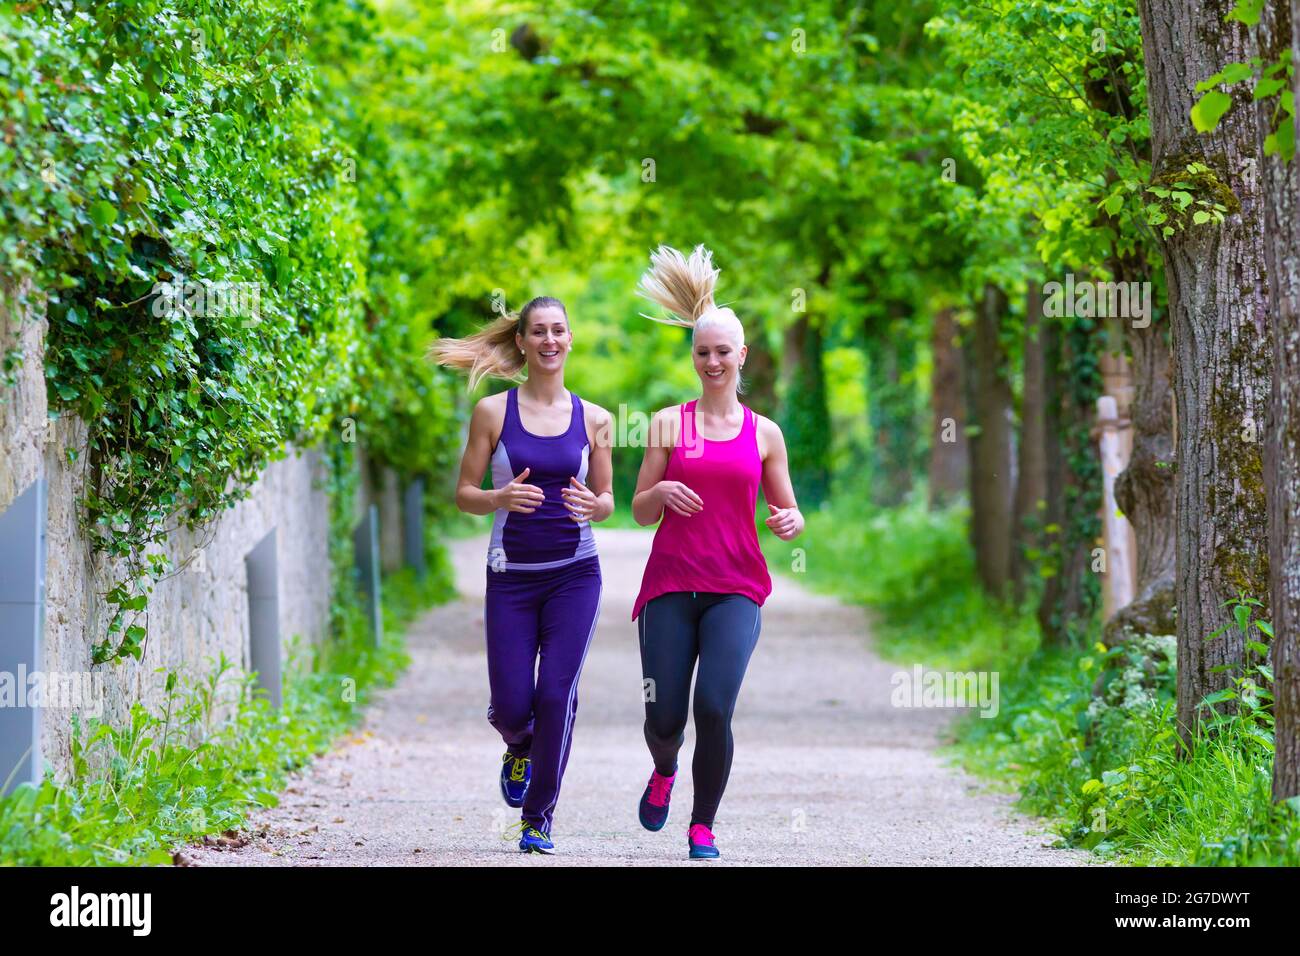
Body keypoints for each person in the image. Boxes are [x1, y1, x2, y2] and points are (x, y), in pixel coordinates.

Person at [629, 245, 804, 859]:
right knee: (664, 718)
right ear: (694, 356)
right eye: (703, 352)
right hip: (670, 586)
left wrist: (790, 521)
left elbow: (789, 510)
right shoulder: (667, 425)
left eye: (723, 351)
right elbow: (639, 509)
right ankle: (664, 767)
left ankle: (702, 824)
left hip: (736, 588)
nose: (712, 361)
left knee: (714, 706)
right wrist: (661, 489)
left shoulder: (766, 433)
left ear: (742, 356)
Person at [432, 296, 614, 854]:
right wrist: (499, 496)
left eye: (559, 330)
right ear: (522, 342)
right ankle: (519, 744)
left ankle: (538, 818)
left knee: (557, 692)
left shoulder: (596, 419)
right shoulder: (492, 412)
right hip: (510, 577)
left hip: (575, 575)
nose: (550, 340)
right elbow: (463, 494)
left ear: (570, 339)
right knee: (514, 705)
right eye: (539, 331)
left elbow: (609, 500)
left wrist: (595, 507)